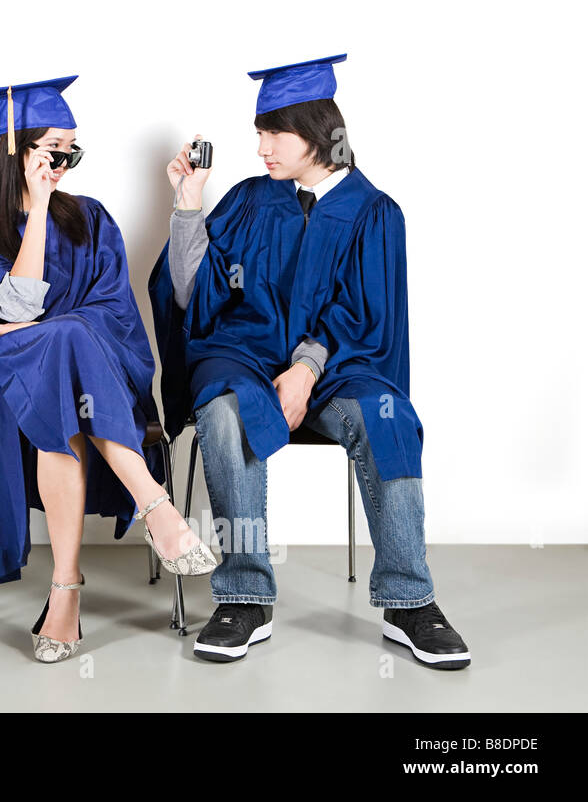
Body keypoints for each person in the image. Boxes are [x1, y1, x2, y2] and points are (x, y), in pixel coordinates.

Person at [149, 54, 471, 669]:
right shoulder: (248, 200)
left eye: (276, 132)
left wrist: (306, 367)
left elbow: (365, 314)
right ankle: (244, 595)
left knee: (389, 416)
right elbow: (191, 295)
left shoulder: (373, 212)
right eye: (259, 132)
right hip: (242, 357)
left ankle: (410, 603)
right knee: (221, 409)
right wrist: (188, 204)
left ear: (321, 132)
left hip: (341, 370)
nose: (262, 146)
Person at [0, 77, 216, 664]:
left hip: (84, 398)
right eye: (52, 152)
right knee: (61, 344)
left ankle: (66, 591)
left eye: (72, 152)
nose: (64, 164)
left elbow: (116, 318)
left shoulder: (91, 220)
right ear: (18, 154)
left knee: (66, 351)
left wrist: (43, 333)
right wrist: (36, 213)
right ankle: (156, 506)